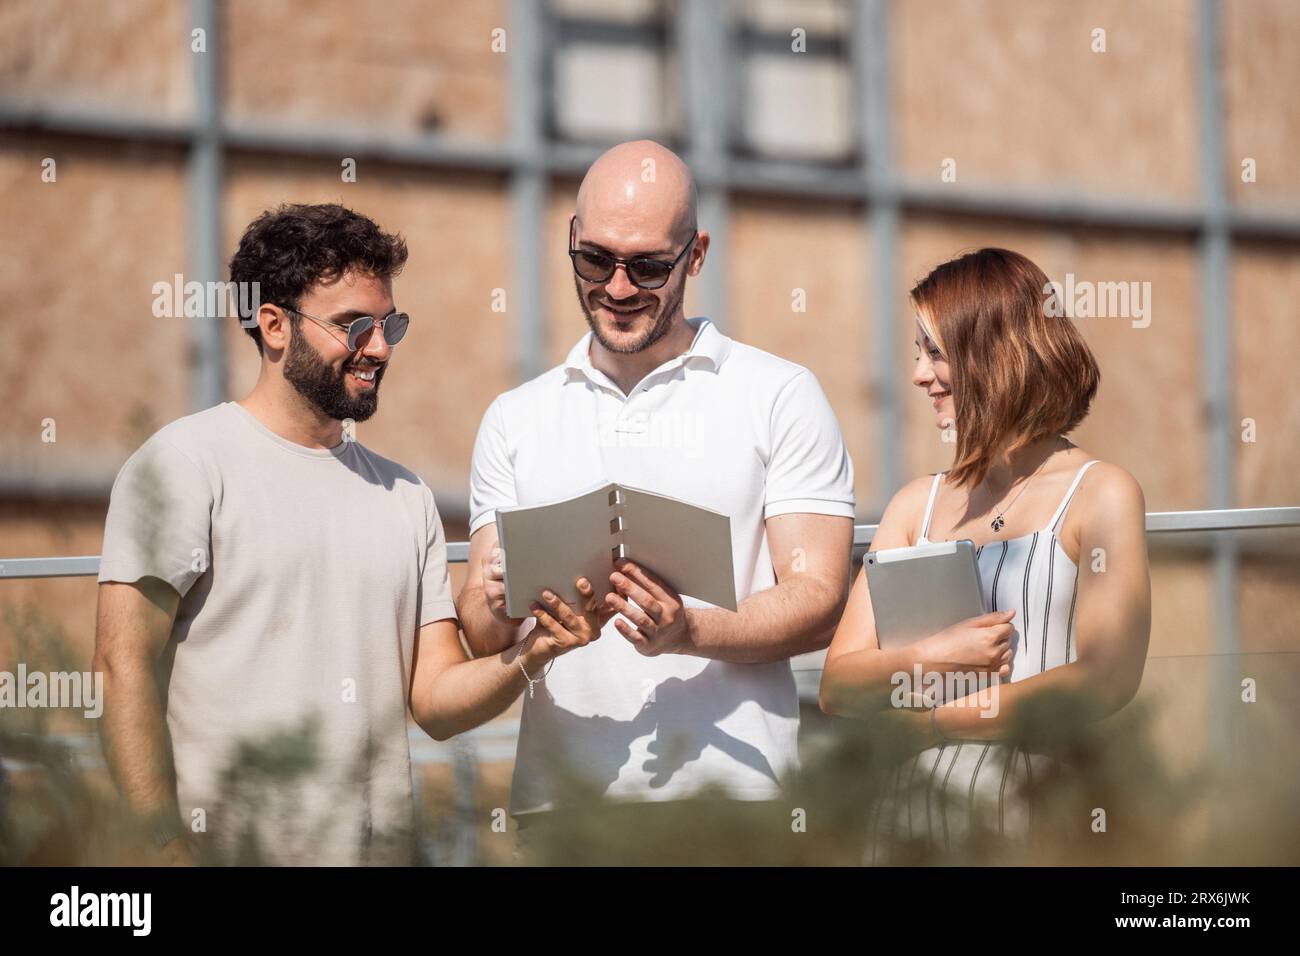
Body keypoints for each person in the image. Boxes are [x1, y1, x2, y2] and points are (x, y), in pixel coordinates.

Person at [93, 203, 554, 865]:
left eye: (389, 323)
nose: (380, 347)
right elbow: (119, 669)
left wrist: (533, 653)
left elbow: (435, 702)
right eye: (353, 326)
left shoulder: (408, 497)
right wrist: (160, 844)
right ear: (274, 325)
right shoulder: (182, 466)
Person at [457, 141, 857, 855]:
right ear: (570, 242)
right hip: (564, 805)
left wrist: (691, 631)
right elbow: (483, 637)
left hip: (737, 797)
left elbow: (821, 598)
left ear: (695, 255)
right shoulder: (514, 417)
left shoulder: (778, 395)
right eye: (594, 260)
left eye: (647, 266)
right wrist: (495, 597)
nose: (616, 287)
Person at [819, 247, 1151, 863]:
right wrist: (931, 656)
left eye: (936, 352)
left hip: (1033, 826)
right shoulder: (914, 505)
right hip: (905, 827)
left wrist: (934, 721)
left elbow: (1105, 678)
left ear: (997, 354)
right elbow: (837, 685)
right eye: (920, 353)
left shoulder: (1100, 494)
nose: (919, 375)